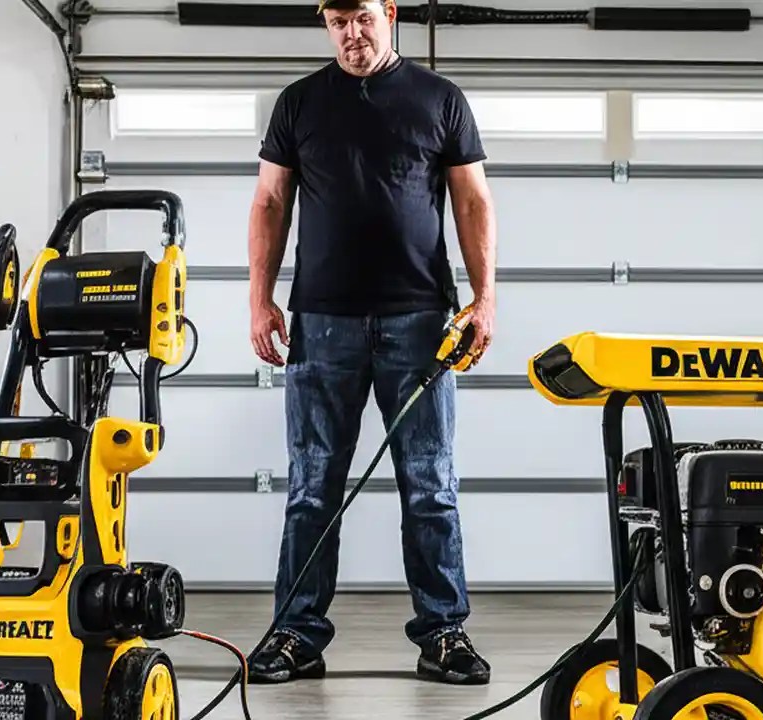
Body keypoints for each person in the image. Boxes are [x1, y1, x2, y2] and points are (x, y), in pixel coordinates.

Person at [244, 0, 498, 687]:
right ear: (324, 23)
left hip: (419, 321)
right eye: (336, 21)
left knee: (430, 486)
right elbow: (270, 202)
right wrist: (259, 298)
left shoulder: (439, 100)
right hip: (321, 323)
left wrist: (484, 299)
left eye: (362, 18)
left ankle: (443, 635)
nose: (351, 34)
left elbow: (472, 201)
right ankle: (296, 637)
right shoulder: (299, 105)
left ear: (389, 13)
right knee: (311, 485)